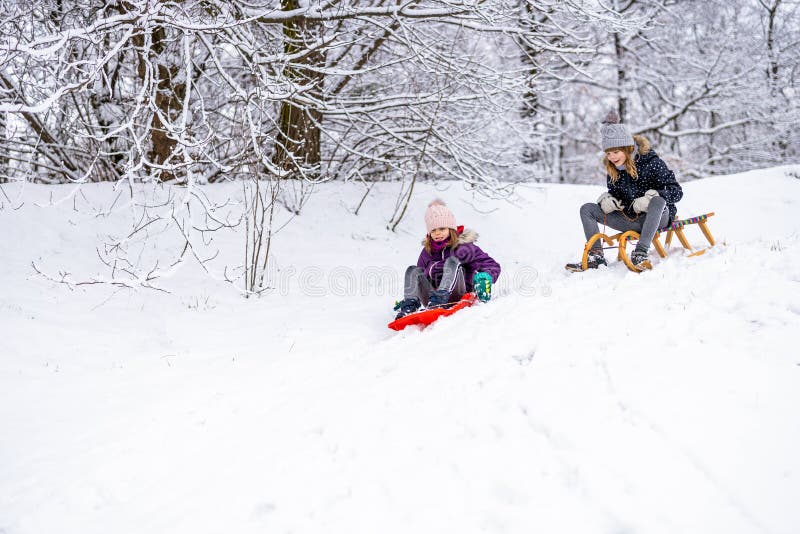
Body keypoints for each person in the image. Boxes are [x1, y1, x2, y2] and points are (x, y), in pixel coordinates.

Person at [566, 110, 683, 272]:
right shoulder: (613, 169)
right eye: (608, 153)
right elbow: (617, 195)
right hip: (629, 219)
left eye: (616, 152)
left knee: (658, 200)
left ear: (628, 149)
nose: (612, 157)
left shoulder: (652, 163)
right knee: (587, 209)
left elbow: (677, 191)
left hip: (656, 217)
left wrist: (651, 198)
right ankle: (596, 257)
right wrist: (608, 200)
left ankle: (640, 253)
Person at [394, 199, 501, 319]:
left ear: (451, 229)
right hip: (431, 298)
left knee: (452, 261)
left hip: (458, 293)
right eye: (433, 230)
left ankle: (440, 298)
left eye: (442, 229)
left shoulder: (465, 248)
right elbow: (420, 277)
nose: (437, 233)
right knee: (413, 270)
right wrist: (412, 293)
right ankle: (409, 306)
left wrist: (486, 276)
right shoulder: (427, 251)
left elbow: (492, 265)